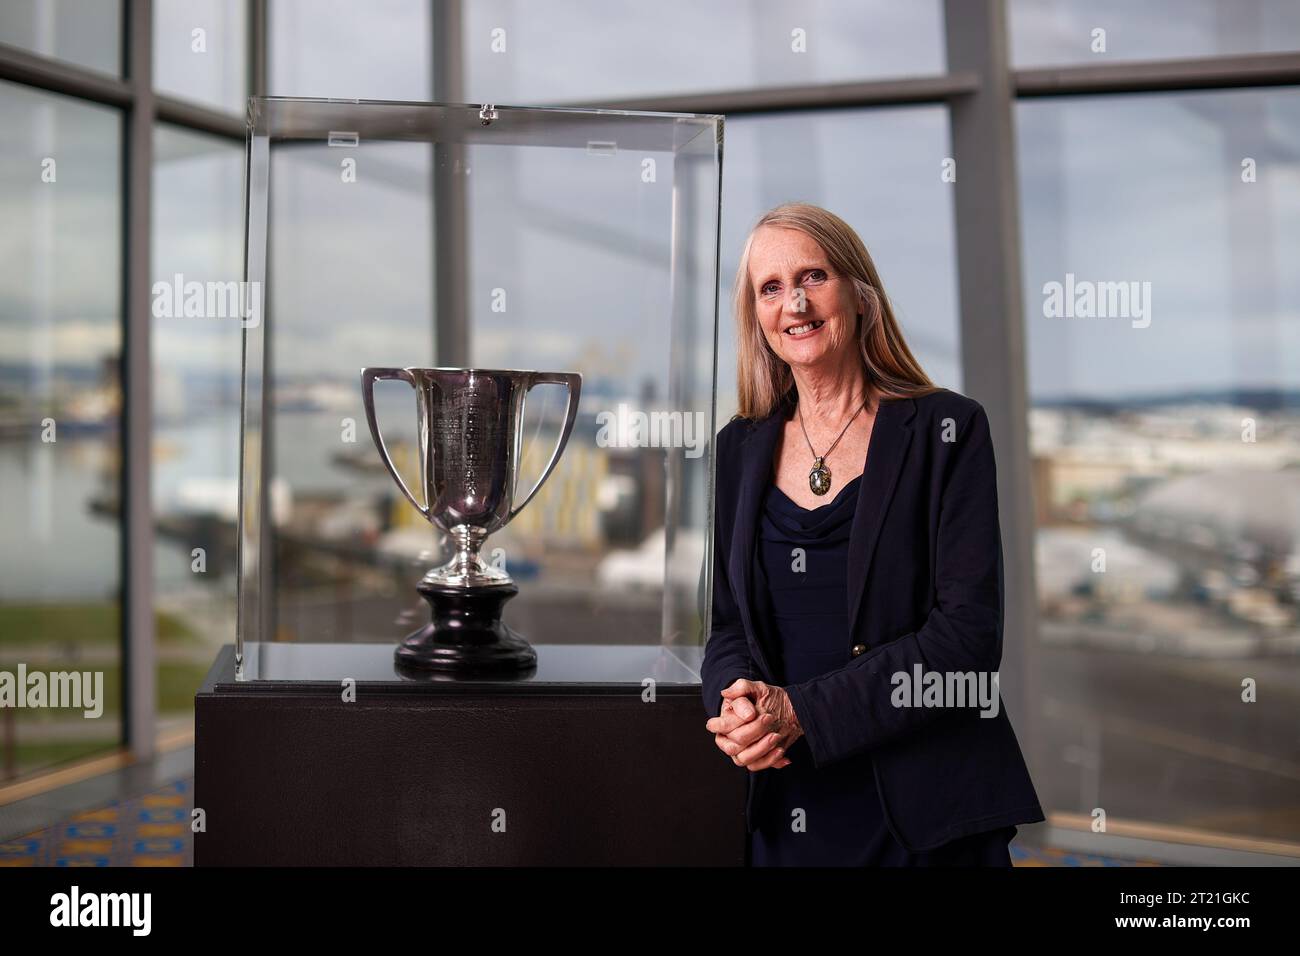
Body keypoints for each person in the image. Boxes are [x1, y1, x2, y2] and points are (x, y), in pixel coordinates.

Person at [701, 202, 1045, 866]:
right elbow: (728, 627)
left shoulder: (949, 429)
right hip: (787, 806)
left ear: (861, 295)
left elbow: (967, 639)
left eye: (814, 276)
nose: (793, 301)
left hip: (927, 812)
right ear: (756, 316)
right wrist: (738, 704)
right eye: (769, 288)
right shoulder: (739, 448)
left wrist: (802, 711)